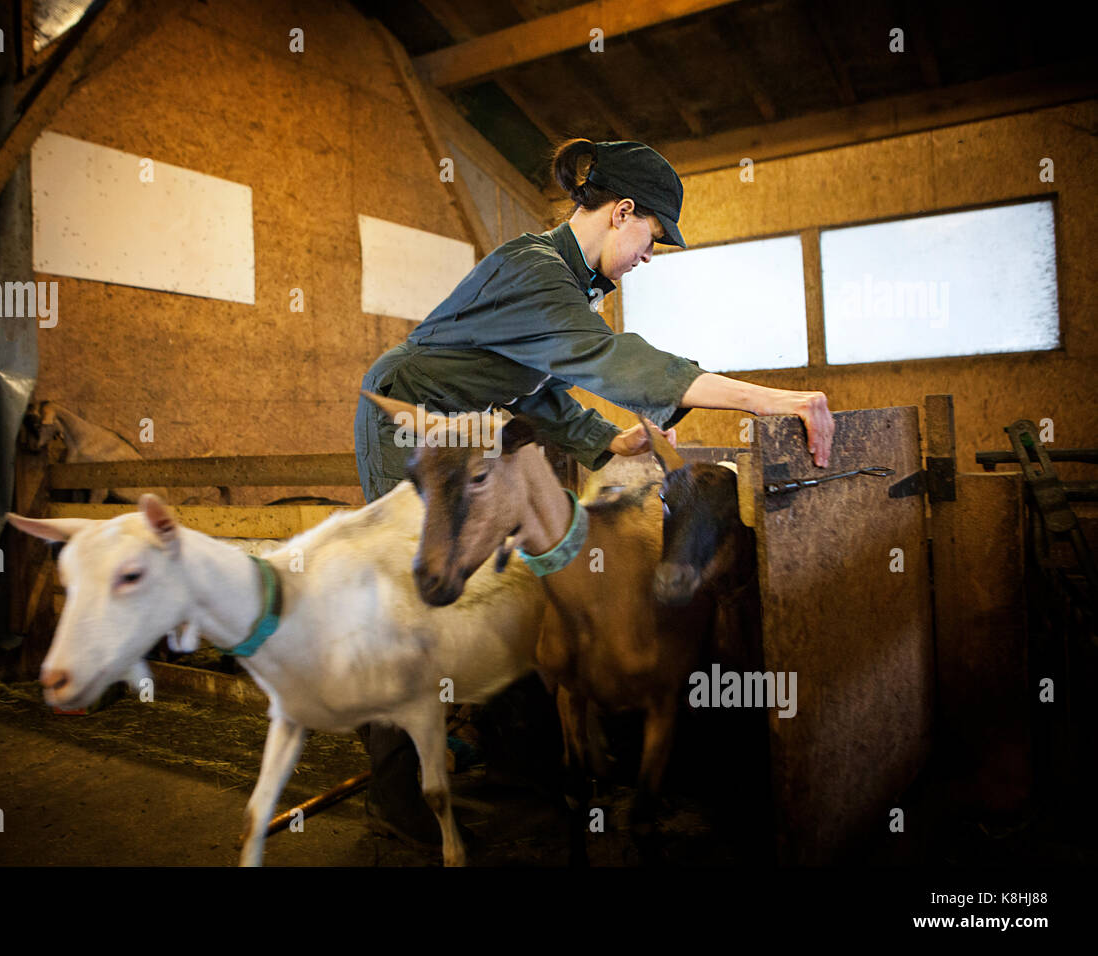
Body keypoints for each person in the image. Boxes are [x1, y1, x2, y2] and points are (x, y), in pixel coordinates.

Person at [352, 138, 835, 848]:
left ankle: (518, 774)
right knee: (412, 589)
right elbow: (614, 361)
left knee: (498, 579)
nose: (648, 254)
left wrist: (606, 442)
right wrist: (769, 399)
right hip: (412, 420)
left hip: (467, 427)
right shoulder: (534, 269)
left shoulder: (568, 286)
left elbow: (542, 387)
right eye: (652, 238)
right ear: (623, 211)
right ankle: (395, 798)